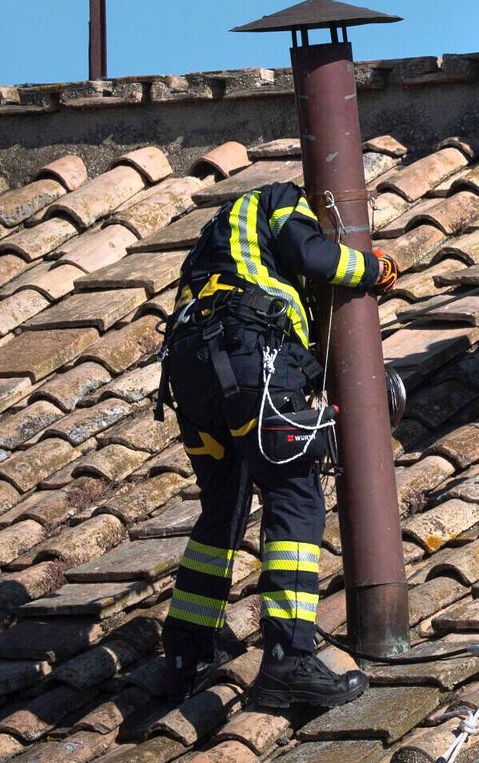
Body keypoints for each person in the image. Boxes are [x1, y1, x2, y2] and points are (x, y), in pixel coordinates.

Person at [155, 181, 398, 710]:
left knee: (223, 505)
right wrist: (374, 269)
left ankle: (185, 650)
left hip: (191, 371)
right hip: (250, 352)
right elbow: (311, 255)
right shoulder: (280, 197)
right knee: (294, 491)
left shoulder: (215, 242)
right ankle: (289, 659)